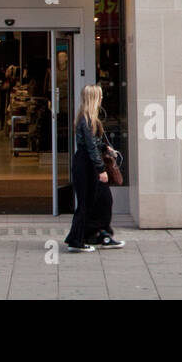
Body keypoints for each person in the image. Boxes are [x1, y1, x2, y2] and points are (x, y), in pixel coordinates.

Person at [64, 84, 124, 253]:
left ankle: (98, 234)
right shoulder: (86, 120)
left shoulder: (90, 119)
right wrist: (101, 170)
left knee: (102, 200)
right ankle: (77, 240)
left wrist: (105, 148)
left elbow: (94, 143)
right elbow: (90, 147)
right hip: (86, 165)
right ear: (93, 98)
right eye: (100, 96)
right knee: (86, 203)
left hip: (88, 163)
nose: (102, 98)